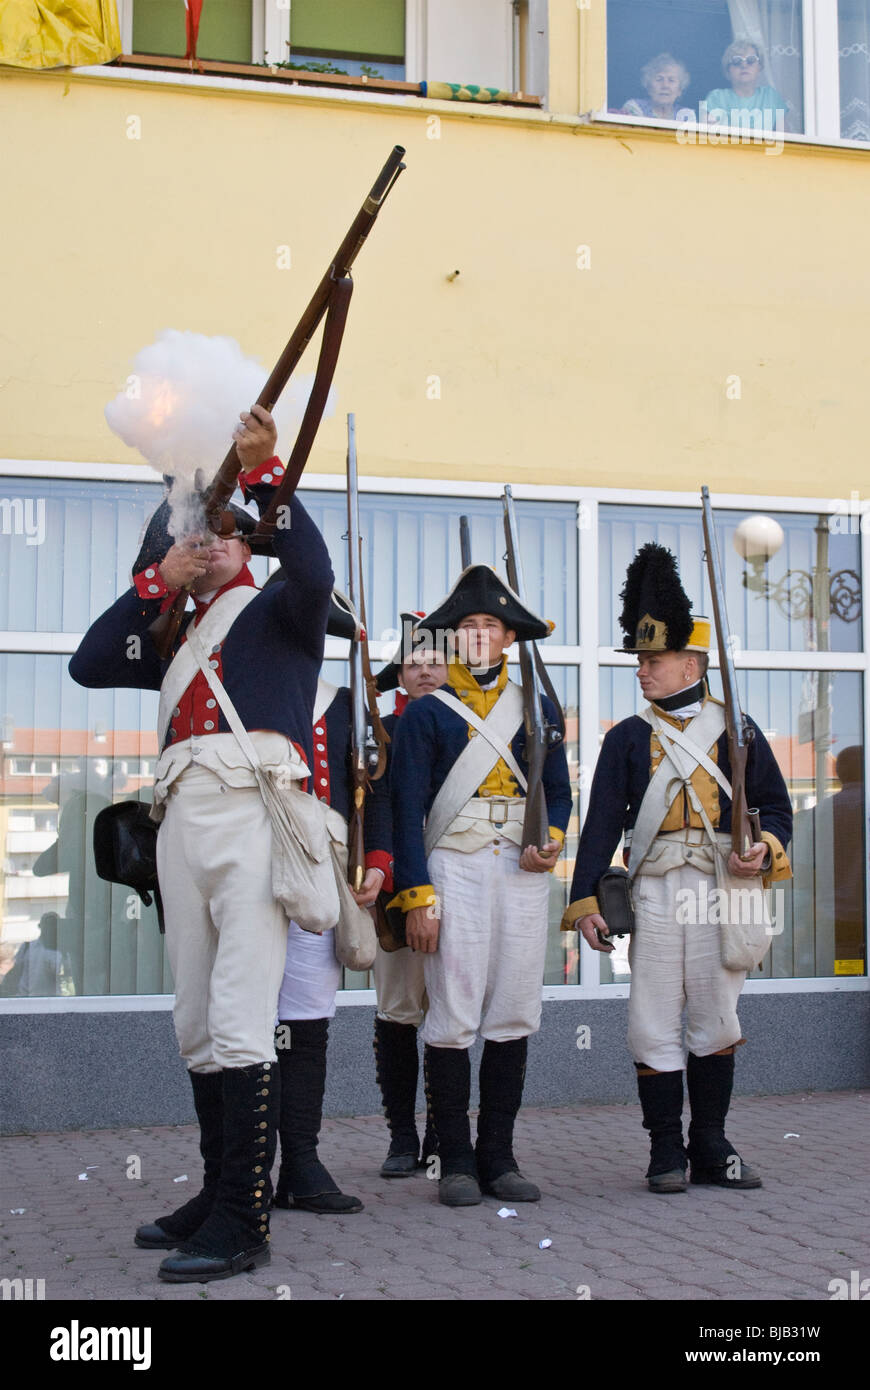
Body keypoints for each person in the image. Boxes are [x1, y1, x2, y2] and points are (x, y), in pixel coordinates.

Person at [70, 404, 334, 1281]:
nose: (215, 542)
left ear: (247, 542)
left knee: (239, 1012)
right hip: (182, 814)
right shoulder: (171, 632)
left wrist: (265, 477)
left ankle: (243, 1218)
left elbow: (314, 567)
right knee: (194, 1017)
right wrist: (157, 580)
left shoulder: (283, 613)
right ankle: (221, 1191)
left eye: (226, 533)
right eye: (200, 535)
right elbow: (89, 660)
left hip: (253, 812)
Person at [561, 543, 792, 1194]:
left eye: (653, 660)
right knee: (652, 1018)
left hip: (723, 888)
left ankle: (711, 1145)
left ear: (691, 661)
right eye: (639, 660)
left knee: (716, 1014)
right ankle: (666, 1150)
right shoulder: (627, 738)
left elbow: (776, 810)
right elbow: (602, 825)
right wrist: (586, 905)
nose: (642, 671)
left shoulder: (737, 730)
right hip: (658, 889)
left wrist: (764, 849)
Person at [387, 567, 572, 1207]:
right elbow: (405, 811)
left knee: (514, 1005)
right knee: (453, 1007)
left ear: (507, 638)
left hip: (520, 869)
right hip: (453, 866)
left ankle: (499, 1156)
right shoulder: (426, 714)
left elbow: (562, 792)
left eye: (489, 625)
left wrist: (552, 836)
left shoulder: (539, 705)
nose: (478, 635)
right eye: (467, 626)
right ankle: (456, 1160)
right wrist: (417, 897)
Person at [272, 590, 391, 1214]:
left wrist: (374, 862)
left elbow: (374, 792)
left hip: (322, 877)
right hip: (248, 870)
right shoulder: (235, 696)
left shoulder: (347, 706)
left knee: (306, 1021)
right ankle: (244, 1171)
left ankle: (302, 1163)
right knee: (241, 1022)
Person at [372, 613, 448, 1177]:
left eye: (433, 661)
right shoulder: (381, 729)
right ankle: (403, 1135)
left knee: (452, 1011)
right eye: (413, 664)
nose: (423, 671)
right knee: (399, 1012)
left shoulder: (469, 728)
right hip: (399, 887)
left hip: (461, 883)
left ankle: (446, 1135)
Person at [704, 38, 788, 131]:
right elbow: (710, 139)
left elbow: (785, 140)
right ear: (728, 69)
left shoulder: (770, 97)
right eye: (737, 61)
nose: (744, 65)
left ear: (759, 66)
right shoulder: (717, 98)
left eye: (751, 60)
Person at [621, 52, 693, 122]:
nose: (665, 85)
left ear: (680, 90)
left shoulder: (686, 115)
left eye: (671, 80)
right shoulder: (634, 107)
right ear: (648, 86)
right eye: (659, 79)